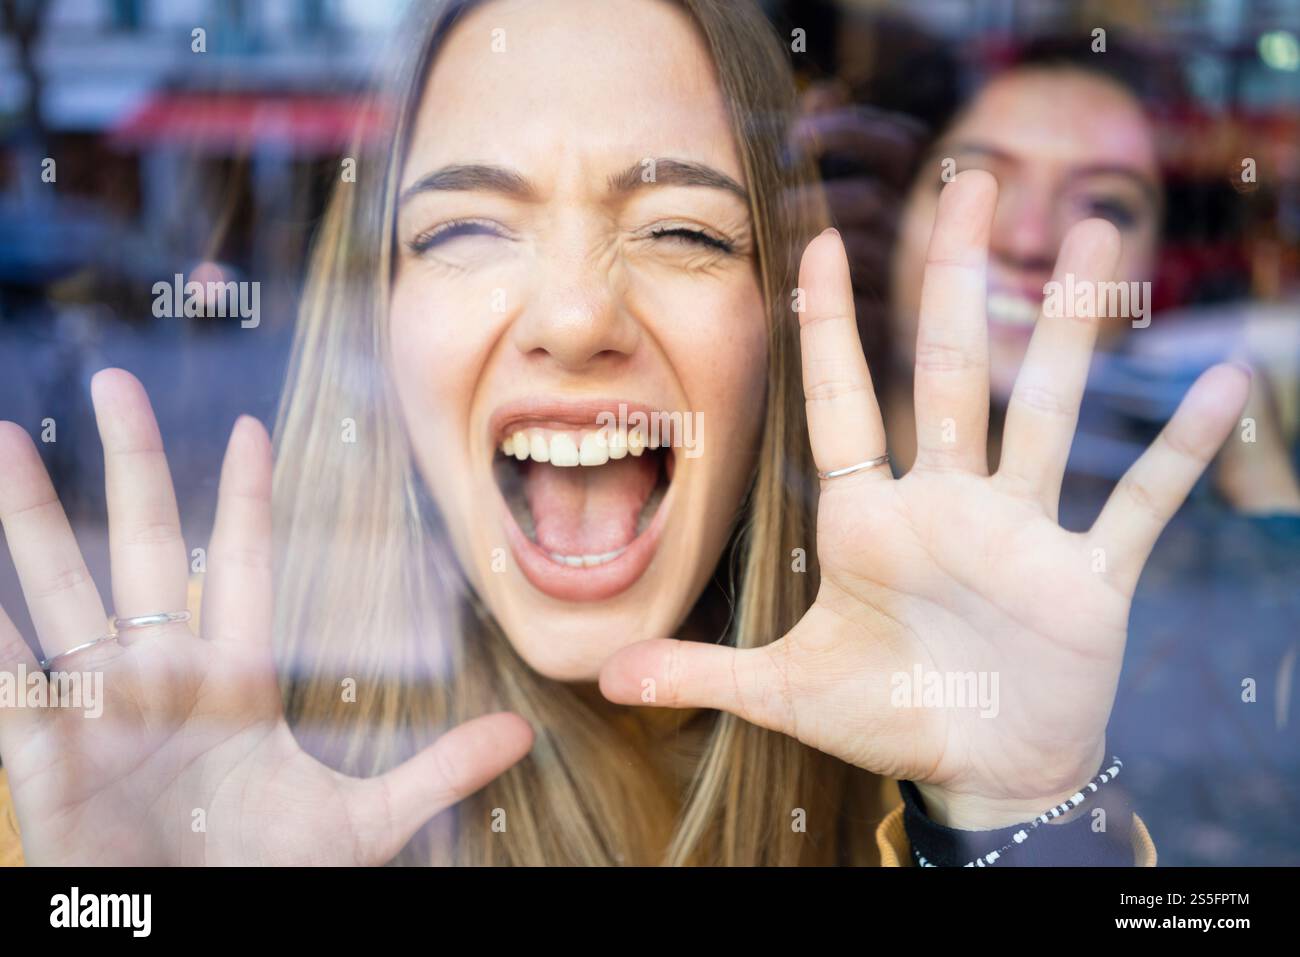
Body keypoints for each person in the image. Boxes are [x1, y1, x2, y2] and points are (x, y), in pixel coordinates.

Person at [0, 0, 1249, 866]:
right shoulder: (135, 771)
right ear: (377, 325)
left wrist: (1020, 818)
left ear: (782, 334)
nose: (578, 312)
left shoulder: (903, 767)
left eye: (687, 232)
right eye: (464, 231)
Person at [803, 27, 1300, 864]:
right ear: (888, 221)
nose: (1030, 238)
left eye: (1104, 206)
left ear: (1160, 283)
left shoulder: (1215, 582)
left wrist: (1273, 522)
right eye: (974, 182)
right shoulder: (745, 517)